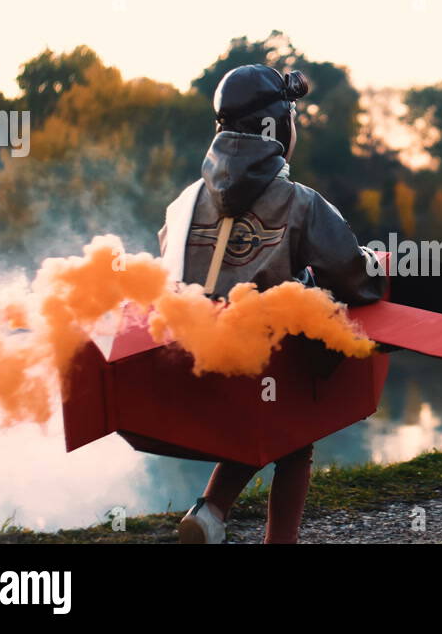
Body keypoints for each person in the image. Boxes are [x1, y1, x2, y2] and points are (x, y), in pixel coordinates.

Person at [157, 64, 386, 543]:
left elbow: (169, 273)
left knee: (267, 405)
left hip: (191, 368)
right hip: (265, 370)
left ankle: (212, 510)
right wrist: (368, 261)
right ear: (279, 126)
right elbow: (357, 282)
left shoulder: (183, 203)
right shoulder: (299, 203)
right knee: (295, 428)